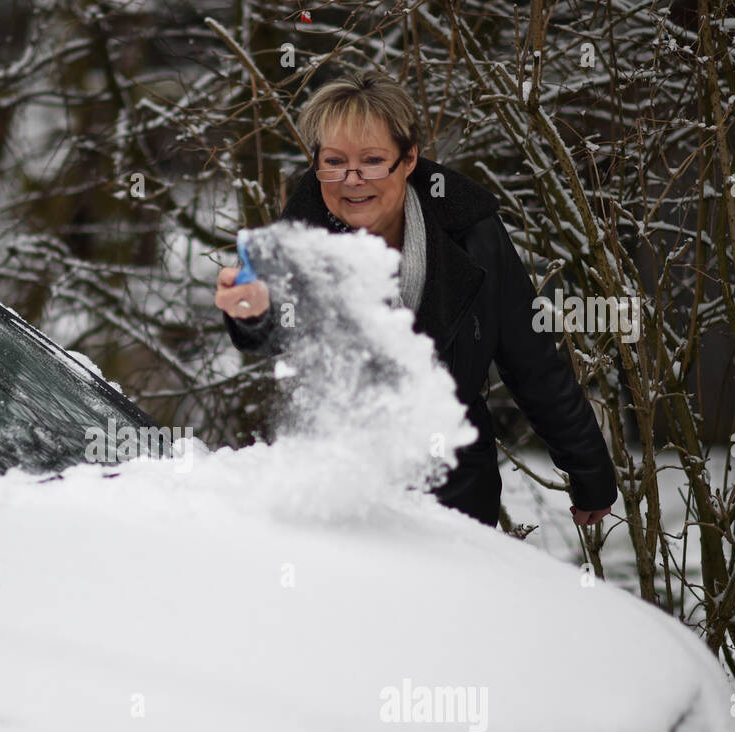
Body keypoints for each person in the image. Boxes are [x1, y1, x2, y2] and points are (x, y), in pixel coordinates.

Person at [214, 70, 617, 528]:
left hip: (455, 491)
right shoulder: (300, 236)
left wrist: (590, 473)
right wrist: (251, 312)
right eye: (334, 161)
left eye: (371, 160)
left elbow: (532, 362)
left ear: (408, 160)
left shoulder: (471, 232)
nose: (351, 180)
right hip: (338, 490)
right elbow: (274, 330)